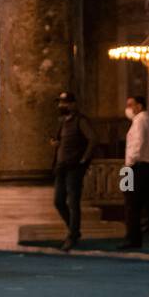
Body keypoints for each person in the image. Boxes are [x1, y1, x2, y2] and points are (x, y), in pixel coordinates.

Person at [119, 95, 149, 250]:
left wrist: (128, 167)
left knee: (130, 205)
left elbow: (136, 145)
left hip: (134, 168)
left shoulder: (139, 122)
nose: (127, 108)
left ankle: (133, 240)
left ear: (139, 106)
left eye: (130, 105)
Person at [50, 90, 97, 251]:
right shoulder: (62, 122)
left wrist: (84, 160)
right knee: (58, 201)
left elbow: (92, 139)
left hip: (74, 167)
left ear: (72, 104)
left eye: (64, 103)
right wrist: (55, 144)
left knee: (73, 202)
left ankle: (72, 234)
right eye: (60, 102)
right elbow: (58, 141)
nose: (61, 105)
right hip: (61, 167)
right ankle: (74, 231)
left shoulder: (80, 121)